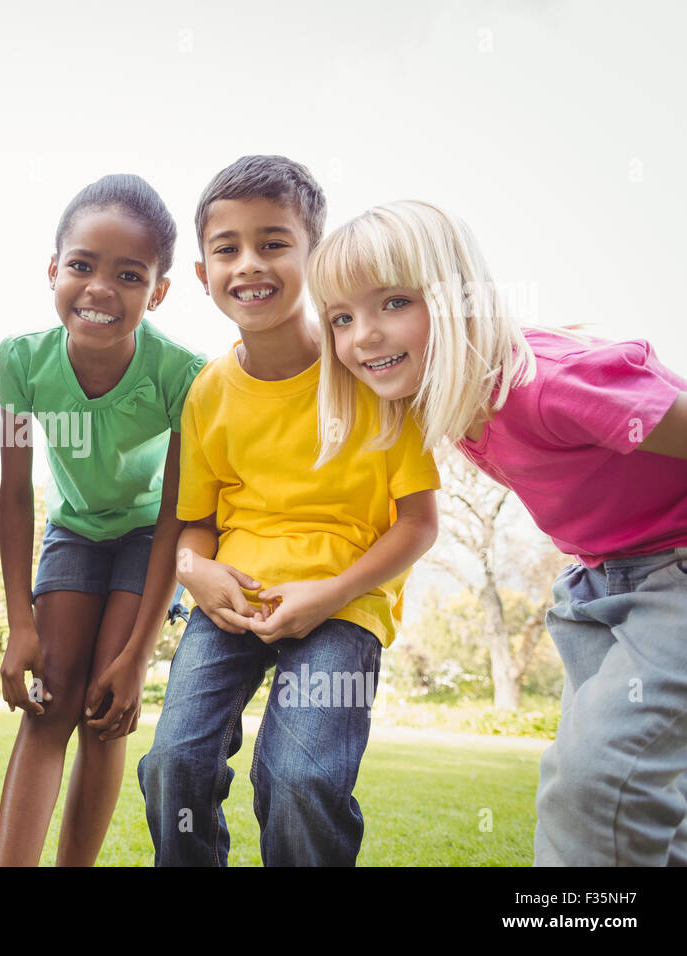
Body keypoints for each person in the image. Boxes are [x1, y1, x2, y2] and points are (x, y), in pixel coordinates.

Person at [309, 199, 687, 866]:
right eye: (342, 317)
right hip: (597, 589)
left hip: (672, 583)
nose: (362, 334)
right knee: (640, 791)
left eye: (392, 302)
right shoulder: (452, 405)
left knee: (596, 784)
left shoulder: (547, 383)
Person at [138, 156, 440, 866]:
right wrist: (195, 573)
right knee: (173, 763)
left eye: (274, 243)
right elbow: (195, 524)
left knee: (302, 778)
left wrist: (330, 593)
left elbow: (419, 523)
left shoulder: (371, 373)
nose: (250, 264)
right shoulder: (208, 392)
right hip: (233, 600)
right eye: (227, 248)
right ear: (206, 272)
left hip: (344, 606)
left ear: (316, 255)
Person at [0, 174, 205, 866]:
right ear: (53, 269)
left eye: (129, 274)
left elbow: (178, 511)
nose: (99, 288)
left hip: (148, 538)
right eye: (81, 265)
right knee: (50, 706)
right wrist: (19, 621)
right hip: (74, 530)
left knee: (104, 715)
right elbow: (17, 492)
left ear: (159, 291)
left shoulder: (182, 376)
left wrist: (138, 655)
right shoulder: (23, 362)